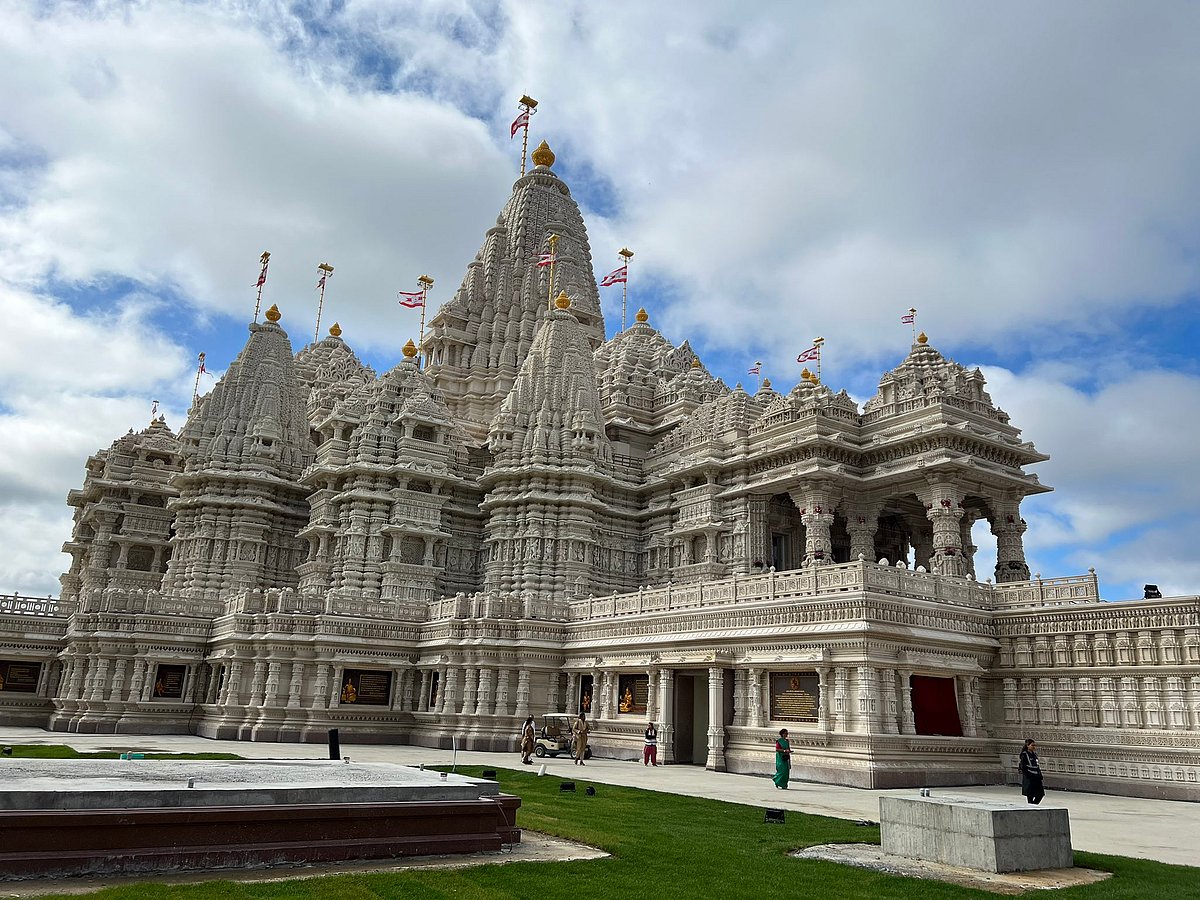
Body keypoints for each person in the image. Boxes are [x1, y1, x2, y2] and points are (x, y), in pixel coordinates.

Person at [1018, 738, 1045, 804]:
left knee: (1040, 794)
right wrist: (1027, 775)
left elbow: (1037, 765)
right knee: (1030, 794)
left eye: (1034, 745)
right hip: (1029, 776)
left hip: (1036, 776)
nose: (1034, 747)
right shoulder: (1024, 754)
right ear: (1027, 745)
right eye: (1032, 745)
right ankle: (1031, 806)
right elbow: (1023, 766)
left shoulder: (1034, 755)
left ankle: (1034, 805)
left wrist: (1040, 775)